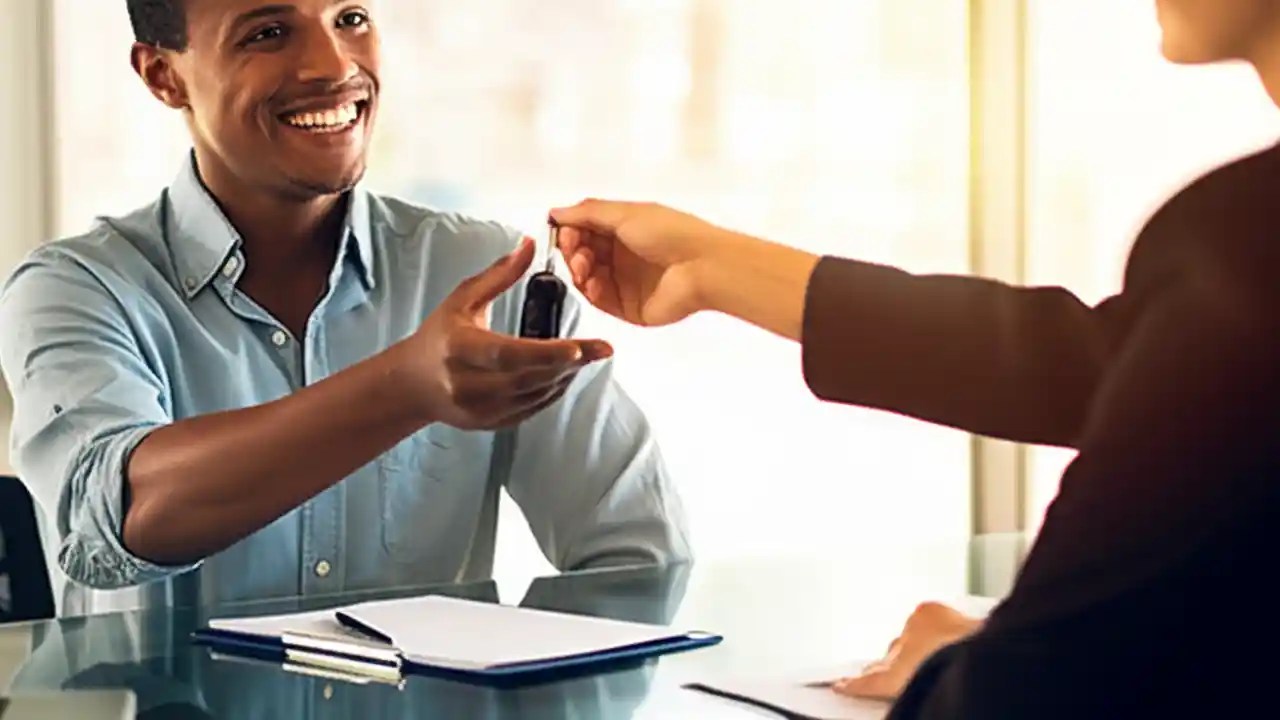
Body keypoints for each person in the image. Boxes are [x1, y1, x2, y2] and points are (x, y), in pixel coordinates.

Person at [548, 0, 1280, 715]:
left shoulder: (1239, 242)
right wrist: (715, 267)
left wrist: (956, 664)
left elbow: (1042, 684)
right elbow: (1112, 364)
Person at [0, 0, 689, 615]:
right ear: (162, 75)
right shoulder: (73, 288)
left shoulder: (489, 279)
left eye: (350, 19)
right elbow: (114, 514)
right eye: (268, 32)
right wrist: (408, 388)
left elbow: (640, 563)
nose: (334, 66)